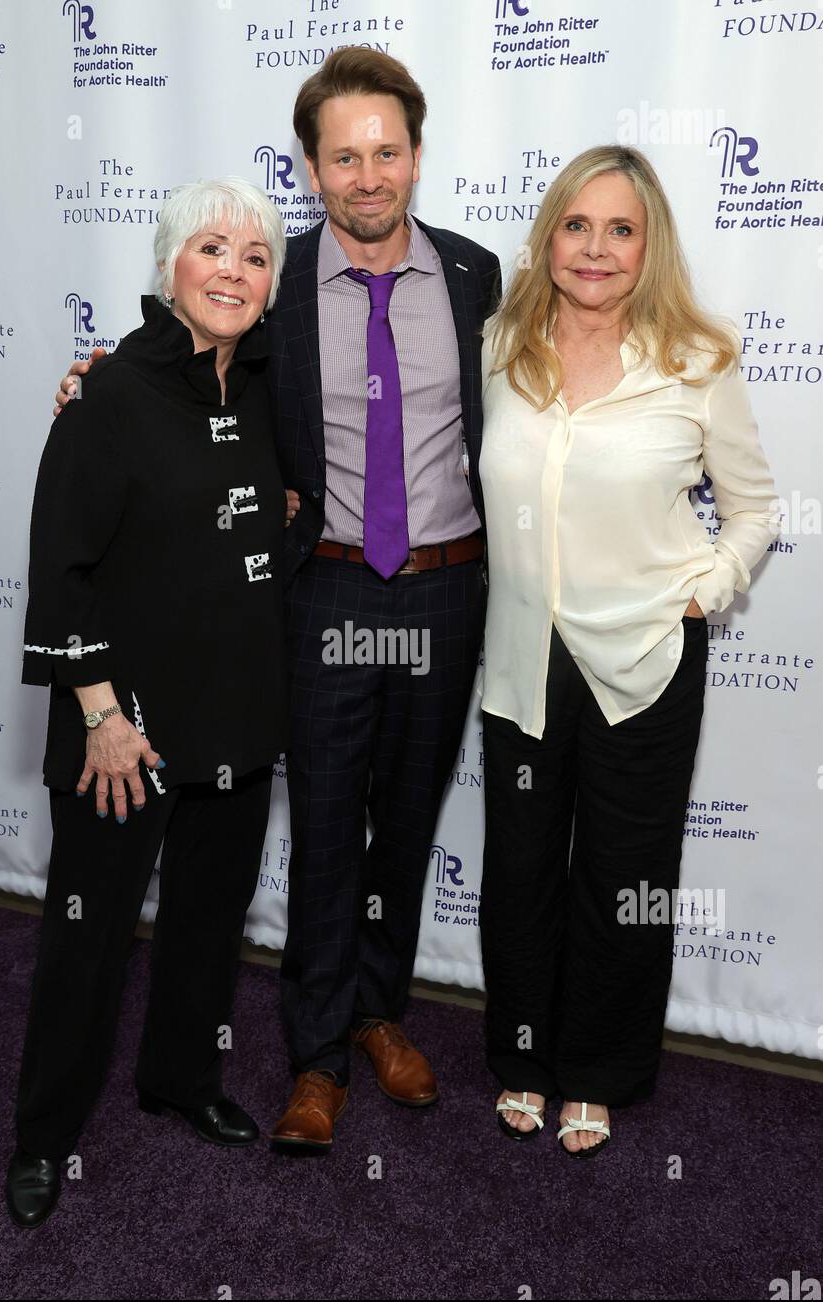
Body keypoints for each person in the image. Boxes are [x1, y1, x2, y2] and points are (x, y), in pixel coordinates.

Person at [55, 51, 502, 1155]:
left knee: (405, 821)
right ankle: (312, 1056)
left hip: (446, 587)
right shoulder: (275, 282)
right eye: (342, 155)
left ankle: (377, 1013)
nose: (366, 174)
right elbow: (183, 360)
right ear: (310, 167)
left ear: (414, 155)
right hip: (322, 587)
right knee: (322, 830)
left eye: (384, 151)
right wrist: (98, 374)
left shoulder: (475, 276)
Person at [477, 145, 778, 1156]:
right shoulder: (498, 345)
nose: (594, 249)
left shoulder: (697, 358)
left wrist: (707, 587)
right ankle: (521, 1055)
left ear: (647, 246)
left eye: (619, 229)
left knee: (624, 874)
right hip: (519, 659)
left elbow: (751, 509)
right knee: (519, 869)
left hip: (645, 659)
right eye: (576, 225)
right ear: (548, 234)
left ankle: (597, 1073)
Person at [7, 178, 289, 1228]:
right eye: (209, 248)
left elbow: (285, 516)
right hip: (118, 730)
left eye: (253, 256)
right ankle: (42, 1135)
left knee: (209, 923)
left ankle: (179, 1077)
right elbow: (60, 566)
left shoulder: (266, 391)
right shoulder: (109, 394)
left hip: (236, 710)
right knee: (86, 936)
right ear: (168, 268)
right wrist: (100, 713)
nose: (231, 269)